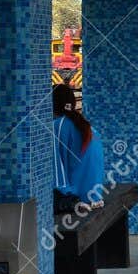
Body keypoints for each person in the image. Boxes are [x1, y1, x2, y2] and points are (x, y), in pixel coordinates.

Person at [52, 83, 105, 211]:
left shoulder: (58, 126)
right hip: (95, 196)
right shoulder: (88, 127)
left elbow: (55, 166)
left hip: (77, 199)